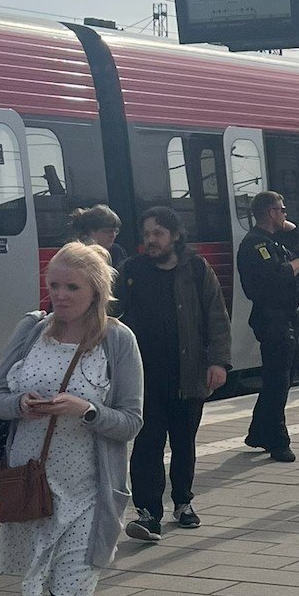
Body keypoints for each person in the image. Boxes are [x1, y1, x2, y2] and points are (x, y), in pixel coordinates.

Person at [0, 241, 143, 596]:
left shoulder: (117, 341)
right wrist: (22, 406)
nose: (59, 295)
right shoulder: (31, 329)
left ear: (96, 289)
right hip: (34, 490)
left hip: (90, 497)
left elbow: (131, 421)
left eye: (71, 286)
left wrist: (87, 409)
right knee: (69, 595)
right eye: (53, 284)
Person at [115, 205, 232, 541]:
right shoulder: (132, 270)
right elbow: (112, 312)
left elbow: (216, 317)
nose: (150, 240)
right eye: (147, 233)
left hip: (188, 373)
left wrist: (218, 362)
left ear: (175, 236)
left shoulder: (195, 268)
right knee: (147, 444)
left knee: (184, 443)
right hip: (145, 377)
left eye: (158, 234)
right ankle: (148, 512)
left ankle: (183, 502)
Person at [237, 190, 299, 461]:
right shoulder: (256, 244)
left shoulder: (272, 241)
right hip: (273, 319)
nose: (285, 214)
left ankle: (259, 432)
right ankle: (278, 440)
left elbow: (298, 244)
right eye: (282, 210)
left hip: (284, 317)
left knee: (279, 379)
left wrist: (292, 231)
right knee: (278, 381)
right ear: (270, 212)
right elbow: (277, 276)